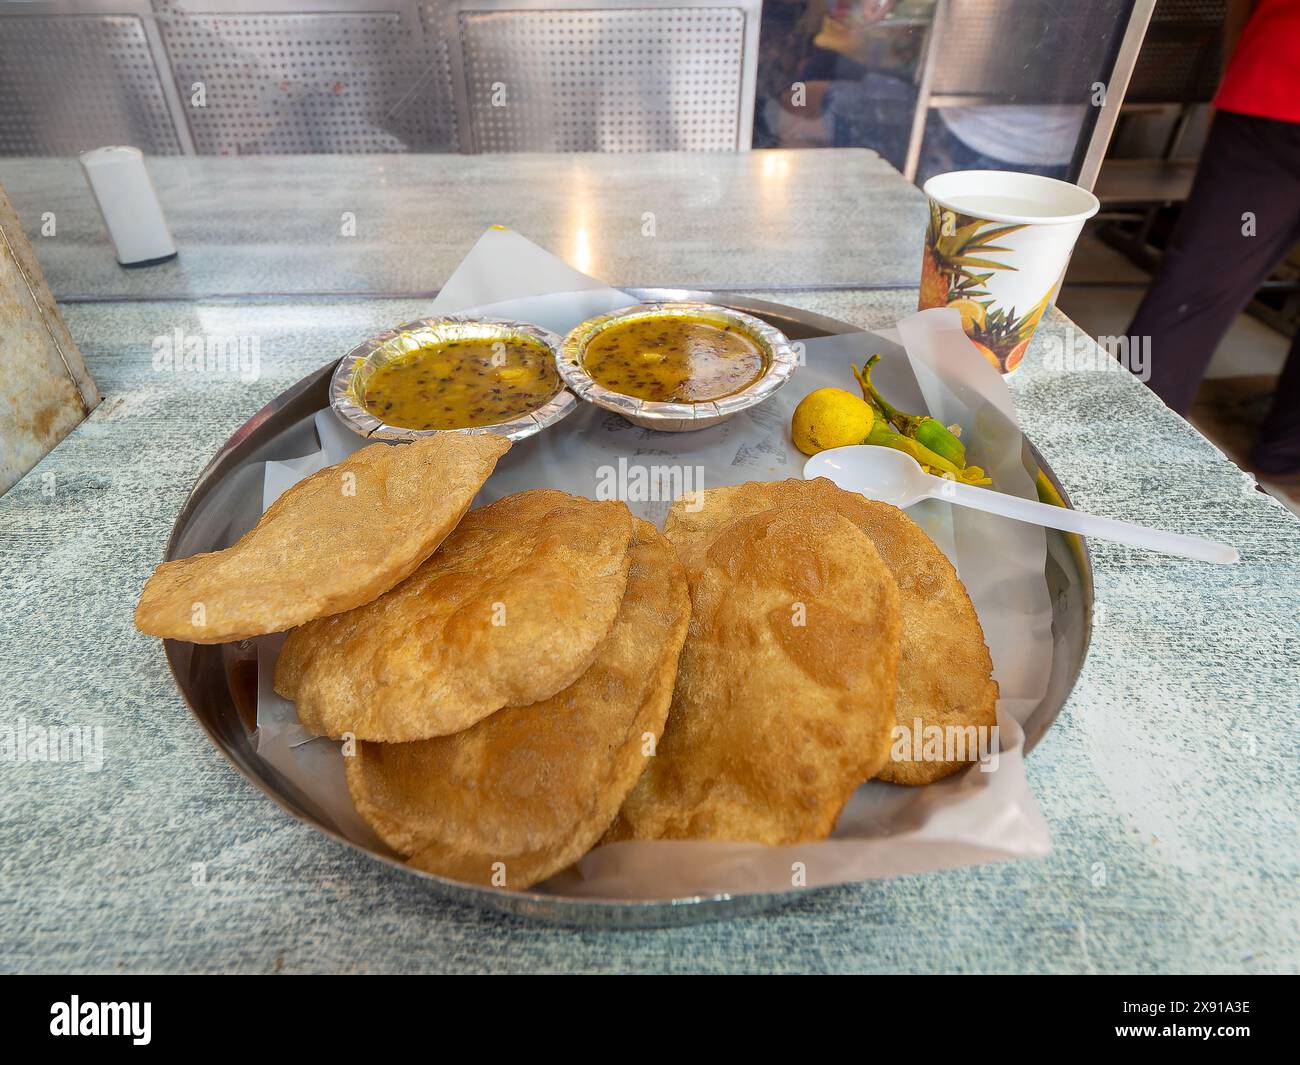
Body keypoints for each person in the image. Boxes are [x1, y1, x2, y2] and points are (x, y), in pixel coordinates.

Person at [1125, 0, 1300, 476]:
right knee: (1196, 283)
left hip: (1273, 86)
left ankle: (1122, 444)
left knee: (1199, 284)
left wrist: (1233, 73)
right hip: (1271, 89)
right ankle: (1286, 454)